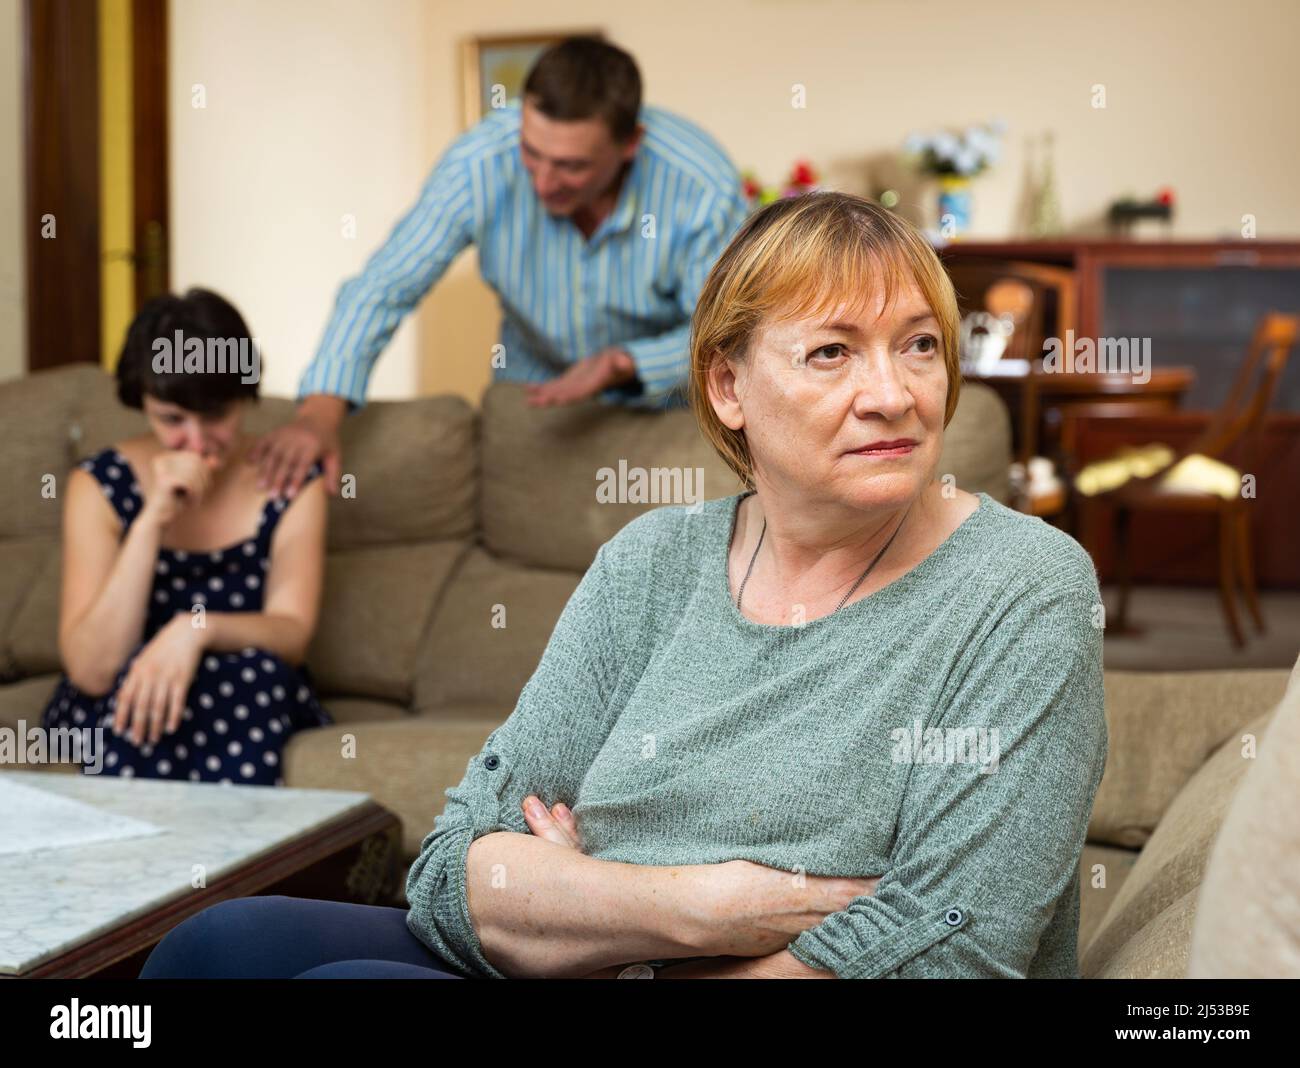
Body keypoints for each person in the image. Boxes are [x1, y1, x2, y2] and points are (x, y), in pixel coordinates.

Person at [140, 192, 1107, 979]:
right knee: (213, 949)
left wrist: (583, 903)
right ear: (728, 388)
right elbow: (453, 869)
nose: (893, 391)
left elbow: (949, 951)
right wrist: (697, 910)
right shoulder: (652, 562)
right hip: (614, 963)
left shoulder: (1023, 589)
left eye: (920, 344)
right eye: (832, 350)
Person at [250, 35, 750, 500]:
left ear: (630, 144)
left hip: (670, 410)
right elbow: (384, 286)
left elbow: (727, 334)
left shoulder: (699, 184)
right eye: (532, 153)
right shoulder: (479, 163)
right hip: (533, 404)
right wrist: (318, 414)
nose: (543, 182)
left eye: (572, 166)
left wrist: (625, 364)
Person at [42, 288, 331, 784]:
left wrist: (194, 630)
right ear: (143, 403)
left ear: (245, 396)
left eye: (215, 416)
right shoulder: (97, 484)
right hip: (129, 689)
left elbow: (292, 633)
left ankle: (239, 863)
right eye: (172, 420)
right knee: (131, 694)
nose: (196, 444)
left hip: (244, 689)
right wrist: (151, 520)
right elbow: (92, 670)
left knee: (253, 675)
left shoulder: (289, 482)